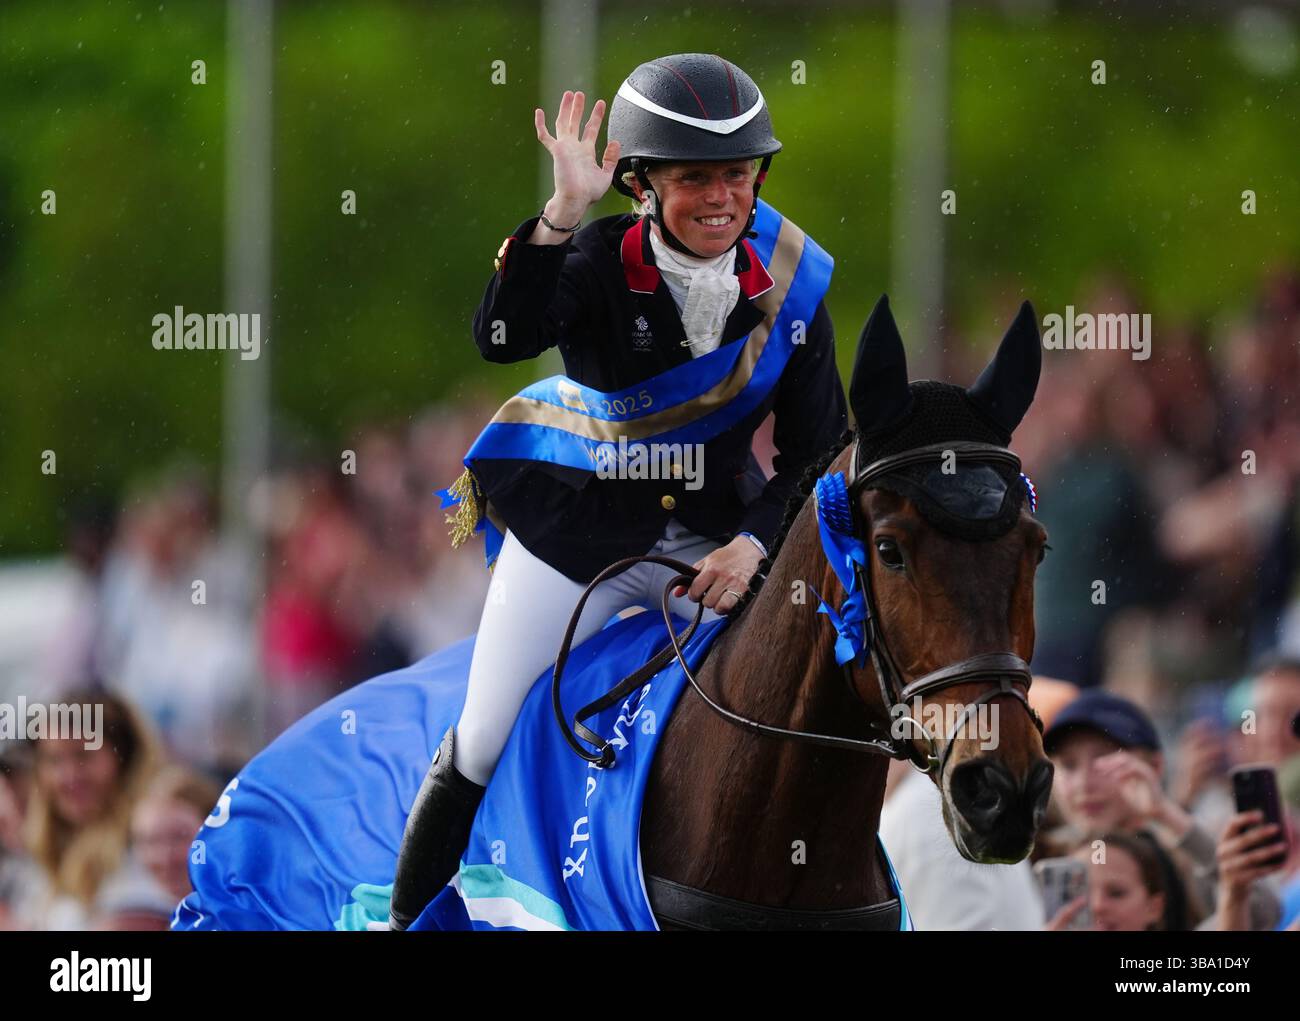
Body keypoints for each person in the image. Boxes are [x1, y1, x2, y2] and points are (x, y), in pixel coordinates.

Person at [388, 54, 848, 929]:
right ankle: (402, 924)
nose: (722, 198)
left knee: (791, 704)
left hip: (714, 541)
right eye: (694, 179)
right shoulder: (594, 257)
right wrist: (561, 212)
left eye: (739, 175)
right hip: (578, 537)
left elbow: (820, 447)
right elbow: (501, 334)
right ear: (639, 184)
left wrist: (755, 543)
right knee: (483, 738)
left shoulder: (794, 282)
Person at [1040, 688, 1282, 929]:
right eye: (1068, 765)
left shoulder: (1185, 859)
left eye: (1104, 760)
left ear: (1154, 767)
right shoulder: (1038, 863)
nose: (1085, 783)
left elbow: (1262, 911)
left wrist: (1166, 813)